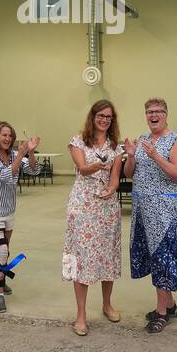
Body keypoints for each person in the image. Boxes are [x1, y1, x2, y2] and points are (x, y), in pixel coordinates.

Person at [123, 98, 177, 332]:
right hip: (143, 211)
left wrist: (156, 157)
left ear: (166, 114)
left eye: (158, 111)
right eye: (149, 111)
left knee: (162, 257)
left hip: (164, 212)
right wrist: (131, 156)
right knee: (154, 257)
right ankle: (170, 305)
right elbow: (129, 174)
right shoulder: (142, 140)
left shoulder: (175, 140)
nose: (154, 115)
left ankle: (161, 313)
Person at [63, 99, 125, 336]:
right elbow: (82, 168)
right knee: (82, 258)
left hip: (107, 208)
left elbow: (116, 177)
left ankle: (107, 304)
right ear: (93, 116)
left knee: (107, 256)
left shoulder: (115, 145)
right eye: (101, 115)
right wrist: (101, 164)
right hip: (83, 205)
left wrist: (112, 188)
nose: (104, 120)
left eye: (109, 117)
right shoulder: (78, 140)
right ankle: (81, 314)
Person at [0, 121, 41, 312]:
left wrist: (30, 152)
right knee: (1, 251)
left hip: (8, 211)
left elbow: (34, 170)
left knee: (1, 251)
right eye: (3, 135)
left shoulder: (15, 155)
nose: (7, 139)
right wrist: (21, 154)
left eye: (10, 136)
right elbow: (6, 176)